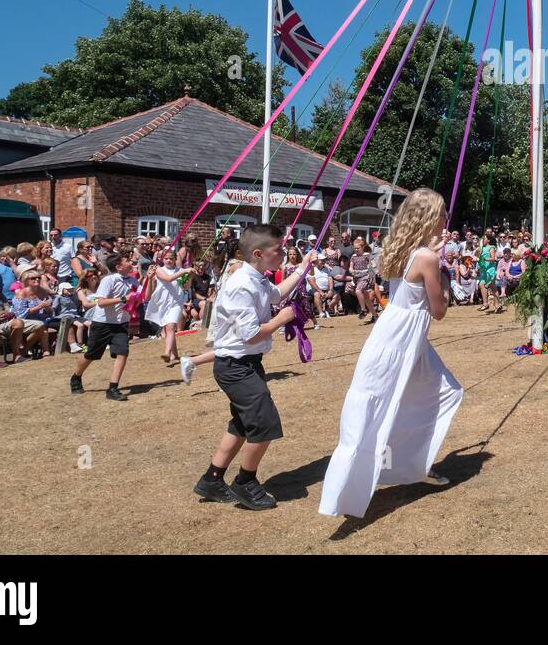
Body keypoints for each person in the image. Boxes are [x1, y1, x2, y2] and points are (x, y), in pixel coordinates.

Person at [319, 189, 463, 518]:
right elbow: (439, 309)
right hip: (399, 342)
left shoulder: (404, 249)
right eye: (442, 214)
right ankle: (371, 476)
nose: (445, 220)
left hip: (403, 338)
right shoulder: (426, 257)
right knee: (380, 406)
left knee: (442, 394)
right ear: (428, 218)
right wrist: (443, 270)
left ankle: (411, 464)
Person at [190, 226, 317, 509]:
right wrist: (283, 318)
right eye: (278, 250)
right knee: (265, 423)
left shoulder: (258, 279)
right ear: (258, 254)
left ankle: (211, 479)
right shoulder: (240, 285)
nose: (283, 254)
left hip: (247, 364)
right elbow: (251, 334)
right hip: (234, 367)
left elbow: (276, 294)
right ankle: (246, 483)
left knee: (241, 424)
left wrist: (303, 268)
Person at [70, 256, 136, 400]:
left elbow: (144, 296)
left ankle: (113, 388)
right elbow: (101, 303)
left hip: (121, 323)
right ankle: (76, 377)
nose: (131, 263)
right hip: (103, 323)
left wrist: (149, 279)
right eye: (127, 261)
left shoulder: (132, 280)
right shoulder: (109, 280)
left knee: (122, 352)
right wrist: (124, 299)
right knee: (91, 355)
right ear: (118, 266)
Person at [148, 248, 193, 365]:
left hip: (176, 302)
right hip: (162, 302)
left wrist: (190, 276)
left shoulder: (179, 270)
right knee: (167, 327)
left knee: (171, 326)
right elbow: (168, 279)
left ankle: (167, 353)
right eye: (166, 258)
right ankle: (175, 354)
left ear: (175, 260)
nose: (168, 261)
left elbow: (185, 287)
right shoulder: (158, 270)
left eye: (171, 259)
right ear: (162, 259)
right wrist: (183, 272)